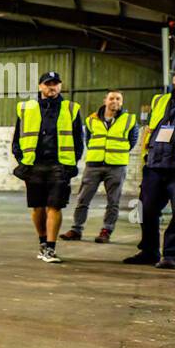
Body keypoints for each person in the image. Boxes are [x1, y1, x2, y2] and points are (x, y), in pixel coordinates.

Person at [12, 71, 84, 263]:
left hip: (59, 166)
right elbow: (17, 138)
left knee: (55, 206)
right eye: (47, 84)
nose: (51, 87)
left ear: (60, 86)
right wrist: (21, 160)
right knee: (37, 207)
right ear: (40, 87)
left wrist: (72, 163)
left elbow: (79, 139)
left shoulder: (71, 108)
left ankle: (51, 248)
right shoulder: (26, 108)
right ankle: (43, 242)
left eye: (55, 84)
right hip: (33, 166)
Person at [124, 64, 175, 270]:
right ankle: (149, 251)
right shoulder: (159, 101)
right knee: (145, 209)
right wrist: (145, 159)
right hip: (154, 165)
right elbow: (150, 130)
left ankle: (173, 255)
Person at [60, 91, 138, 243]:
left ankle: (106, 231)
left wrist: (117, 153)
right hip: (94, 165)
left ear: (121, 102)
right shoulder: (91, 119)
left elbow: (132, 140)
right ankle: (76, 229)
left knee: (113, 201)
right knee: (83, 198)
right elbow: (88, 140)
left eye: (118, 99)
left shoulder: (130, 120)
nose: (114, 101)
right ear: (105, 101)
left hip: (116, 165)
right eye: (111, 98)